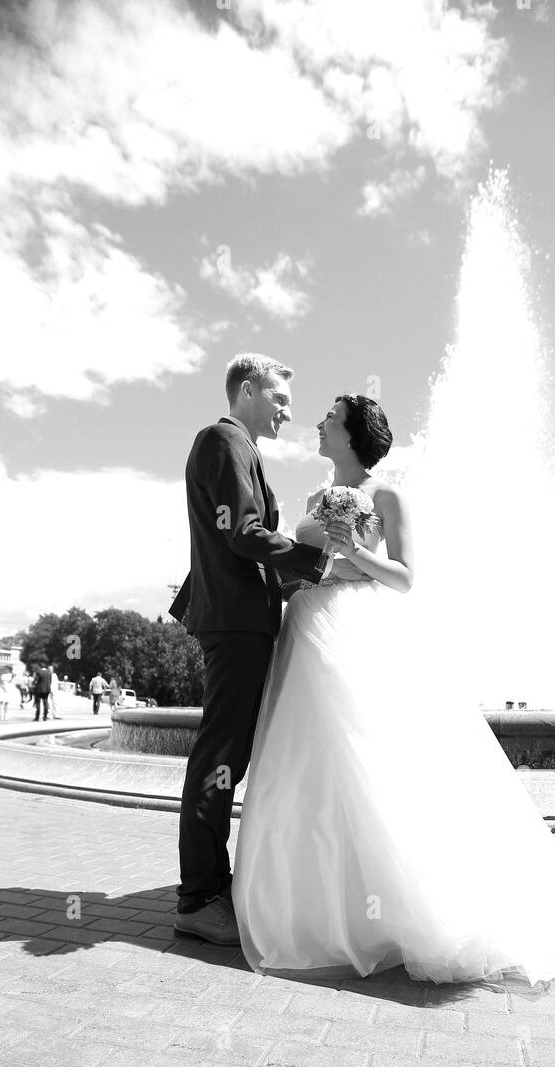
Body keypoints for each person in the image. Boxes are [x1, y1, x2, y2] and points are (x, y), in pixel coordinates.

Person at [231, 395, 555, 986]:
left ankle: (403, 910)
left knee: (373, 760)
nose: (319, 424)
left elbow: (405, 577)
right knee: (308, 764)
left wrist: (352, 549)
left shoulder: (387, 495)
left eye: (330, 420)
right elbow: (302, 565)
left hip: (357, 629)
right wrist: (289, 582)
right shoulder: (311, 497)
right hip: (305, 629)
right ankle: (315, 909)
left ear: (354, 435)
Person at [169, 352, 333, 946]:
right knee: (219, 755)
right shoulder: (223, 440)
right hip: (236, 623)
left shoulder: (239, 447)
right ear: (246, 391)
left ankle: (209, 882)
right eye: (280, 399)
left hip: (241, 618)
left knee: (227, 754)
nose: (290, 411)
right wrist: (318, 564)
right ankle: (198, 897)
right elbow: (242, 534)